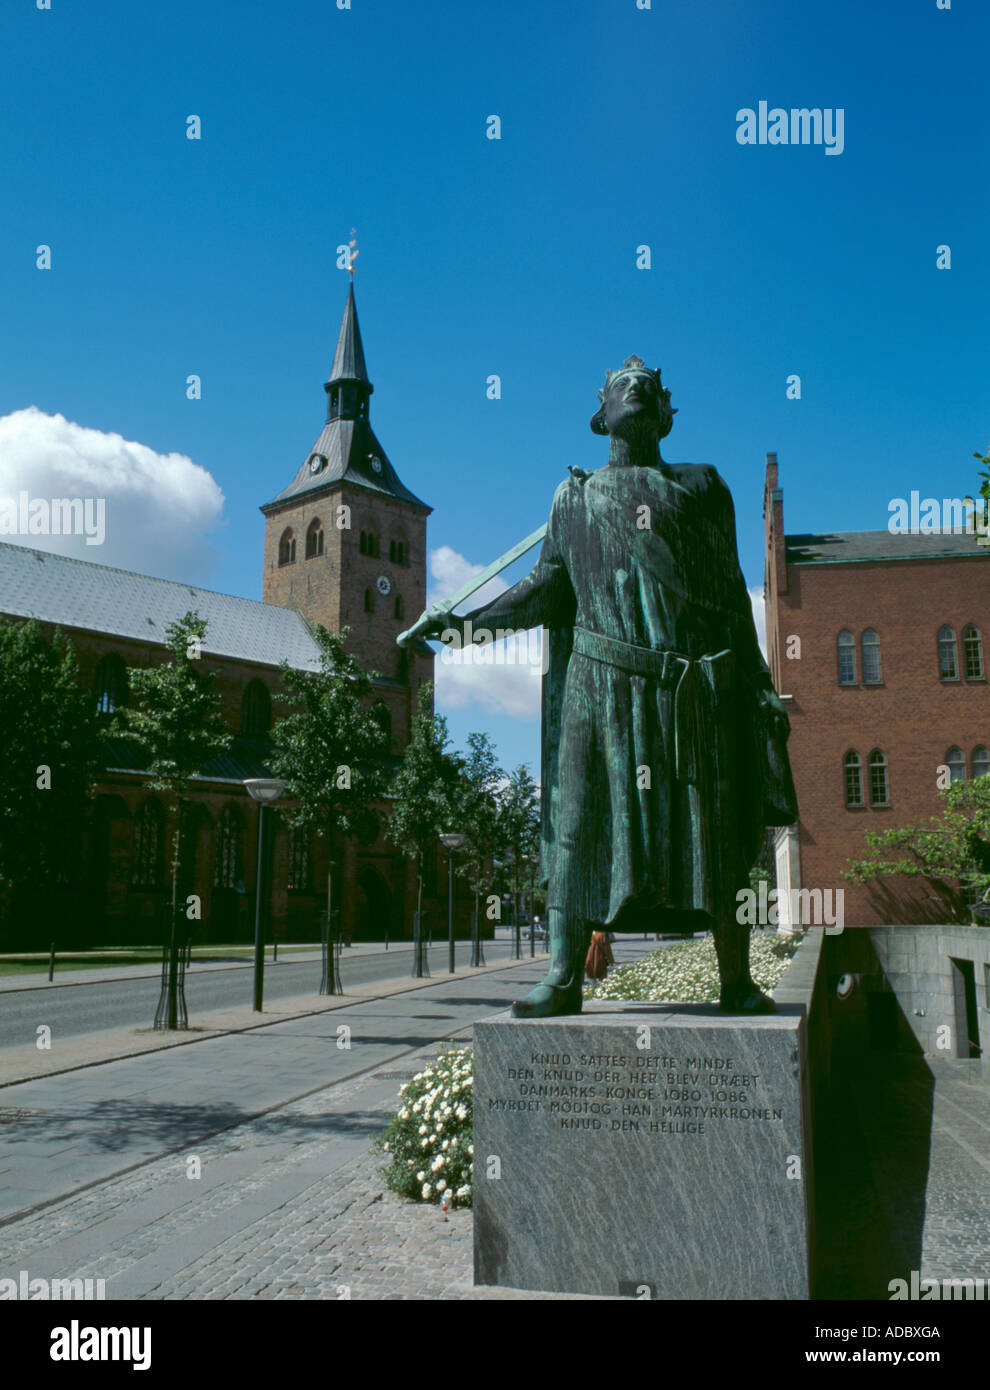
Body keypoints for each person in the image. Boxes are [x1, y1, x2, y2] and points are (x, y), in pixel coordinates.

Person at [416, 355, 796, 1017]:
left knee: (709, 829)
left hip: (684, 692)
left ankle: (733, 977)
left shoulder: (704, 488)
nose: (639, 386)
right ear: (601, 412)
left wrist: (760, 683)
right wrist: (463, 631)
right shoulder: (576, 497)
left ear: (668, 412)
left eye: (652, 386)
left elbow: (732, 595)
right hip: (599, 683)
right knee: (576, 821)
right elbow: (543, 591)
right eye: (625, 384)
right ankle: (563, 977)